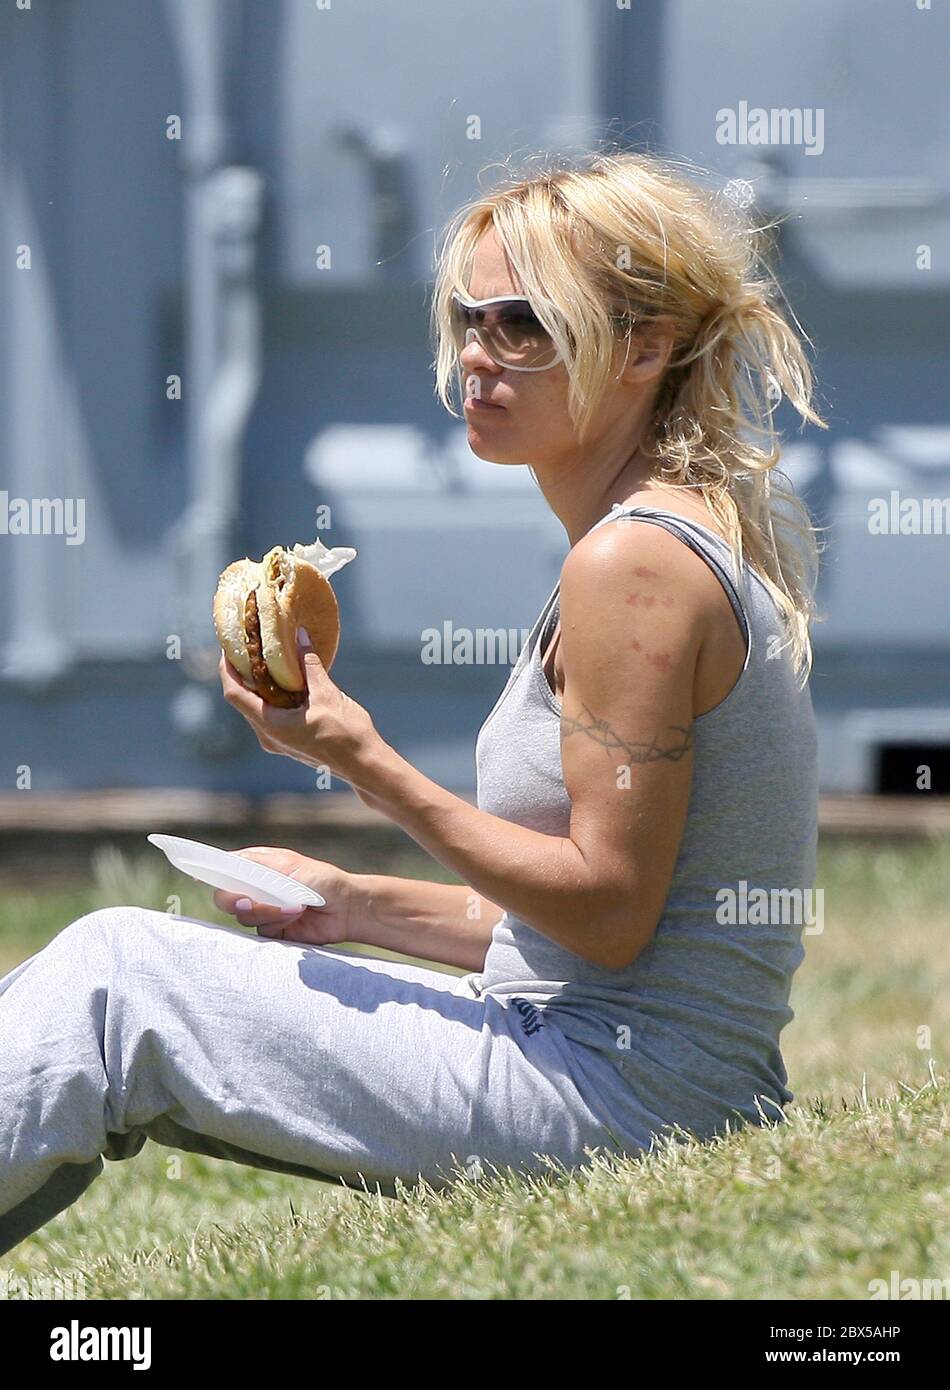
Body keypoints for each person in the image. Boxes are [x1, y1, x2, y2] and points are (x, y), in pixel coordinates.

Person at [0, 150, 826, 1256]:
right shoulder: (650, 539)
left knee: (117, 980)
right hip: (629, 1071)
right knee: (100, 981)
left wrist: (361, 758)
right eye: (466, 318)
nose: (480, 354)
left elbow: (607, 914)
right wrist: (351, 902)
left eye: (524, 324)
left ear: (644, 346)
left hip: (624, 1102)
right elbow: (586, 929)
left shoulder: (631, 565)